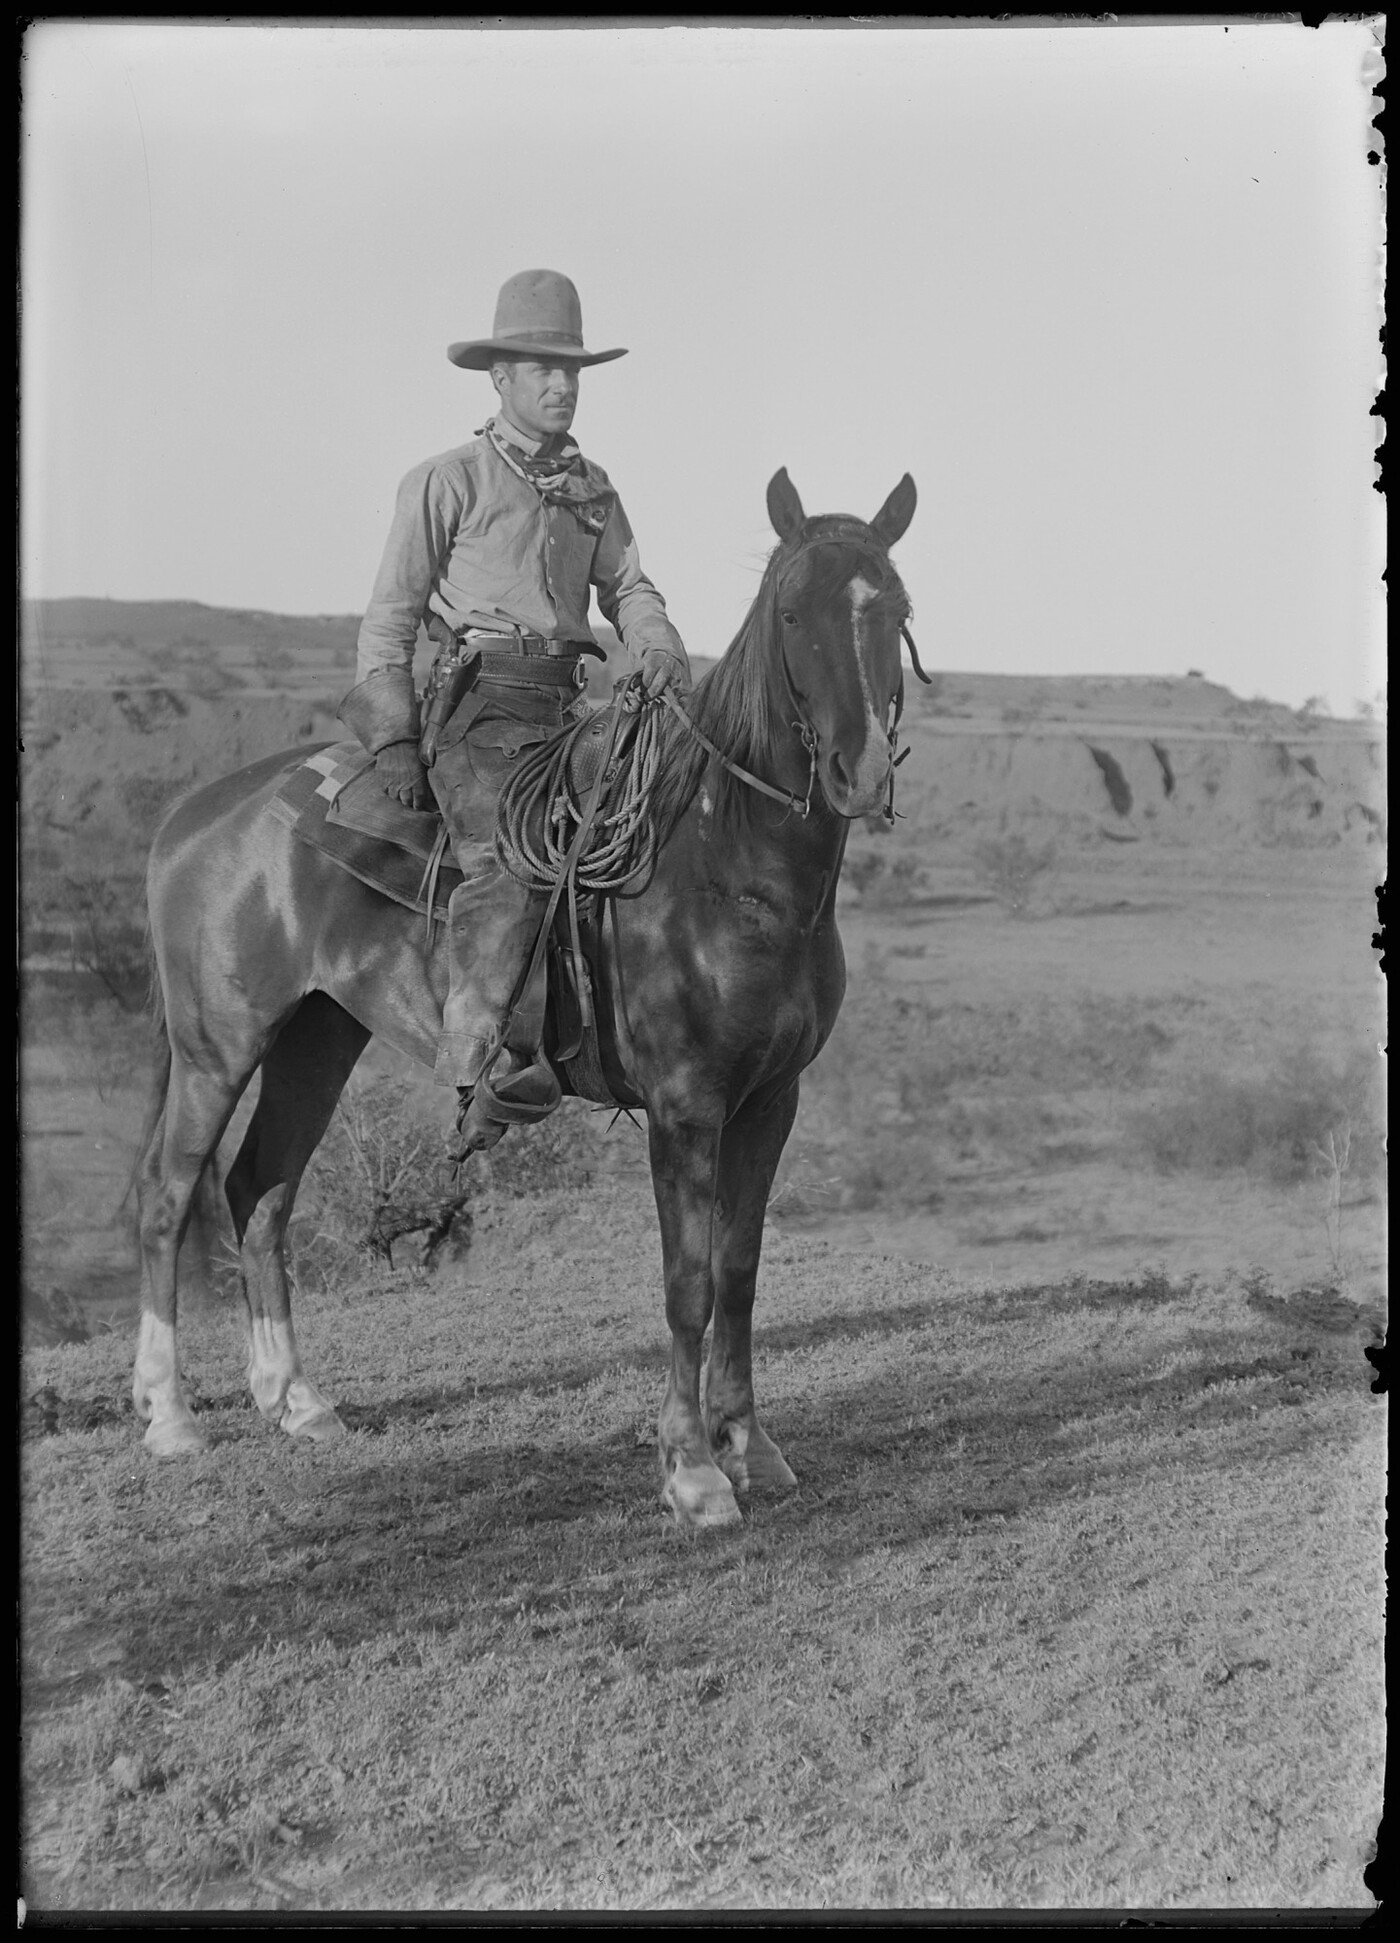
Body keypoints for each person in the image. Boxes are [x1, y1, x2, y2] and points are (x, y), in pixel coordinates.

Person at [338, 269, 690, 1150]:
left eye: (572, 369)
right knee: (513, 860)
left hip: (569, 710)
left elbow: (631, 588)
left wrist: (660, 649)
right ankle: (482, 1066)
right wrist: (392, 739)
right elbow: (388, 616)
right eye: (541, 368)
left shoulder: (594, 489)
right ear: (499, 377)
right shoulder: (444, 481)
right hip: (480, 713)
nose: (561, 385)